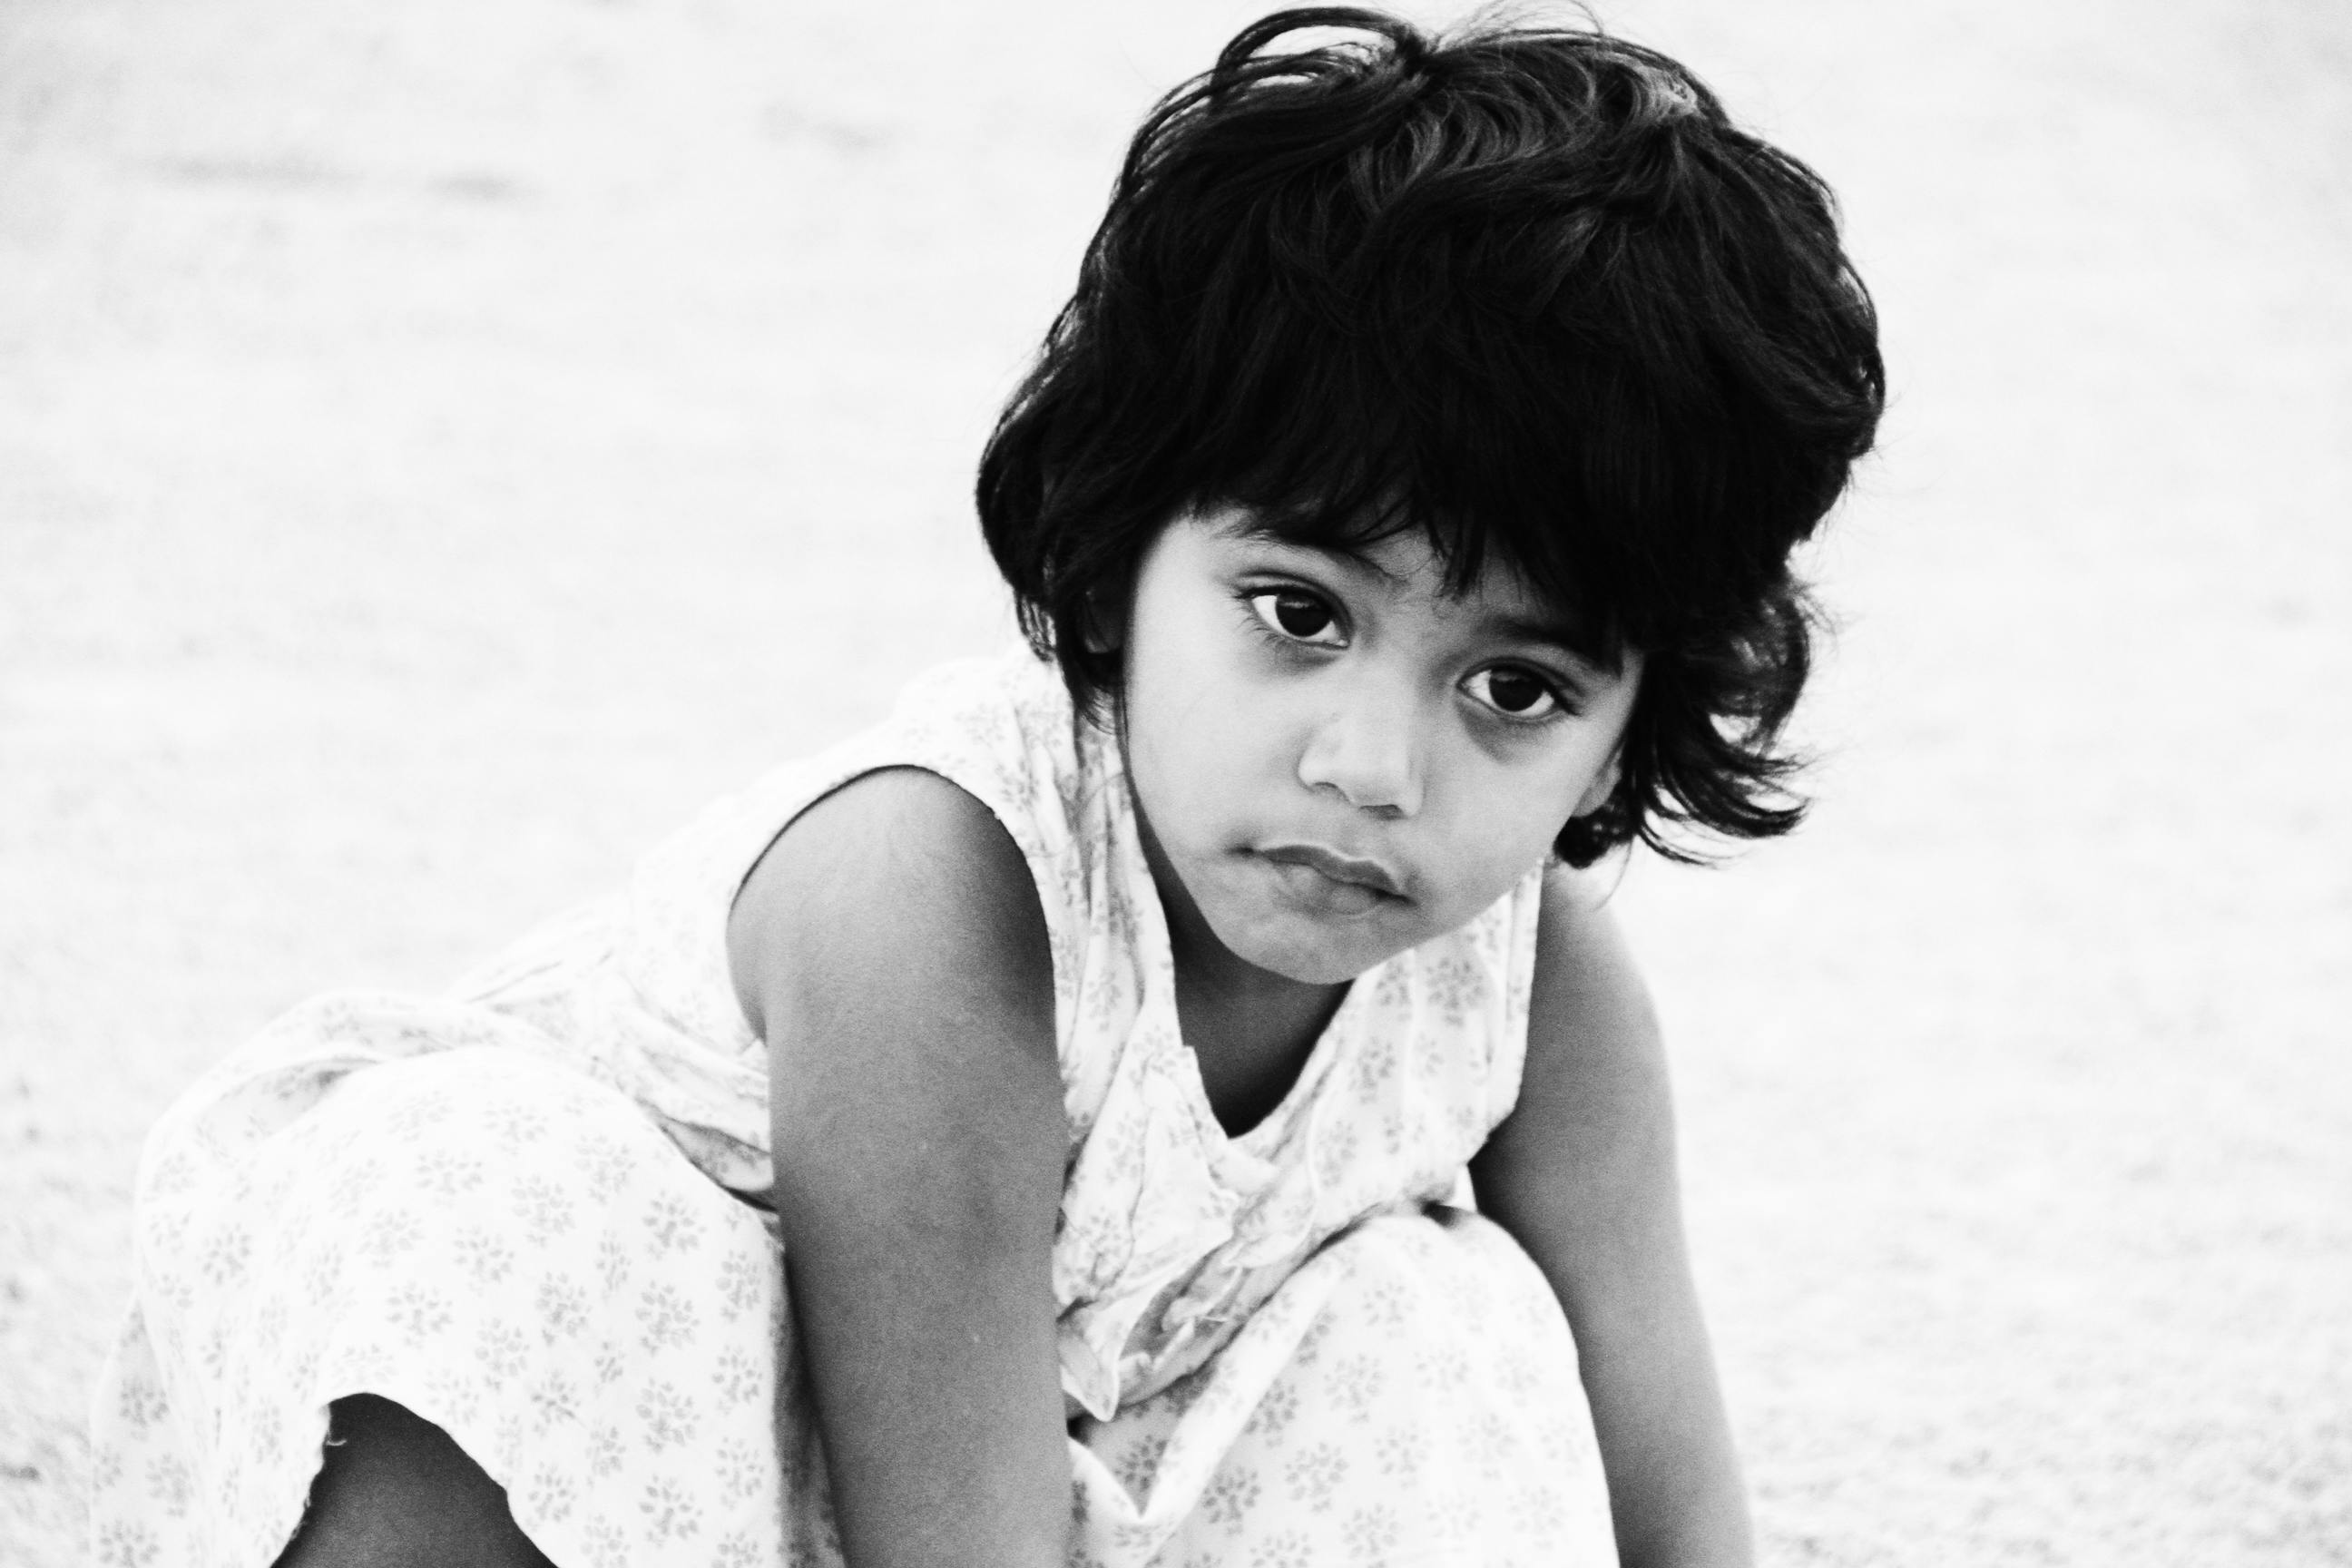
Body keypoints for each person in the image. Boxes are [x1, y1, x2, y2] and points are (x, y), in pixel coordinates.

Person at [87, 8, 1883, 1566]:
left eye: (1515, 686)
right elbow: (950, 1530)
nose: (1370, 766)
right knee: (505, 1199)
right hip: (602, 1445)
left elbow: (1666, 1485)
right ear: (1115, 568)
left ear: (1632, 724)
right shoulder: (937, 896)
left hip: (1039, 1466)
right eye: (1295, 613)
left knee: (1450, 1335)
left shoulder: (1528, 984)